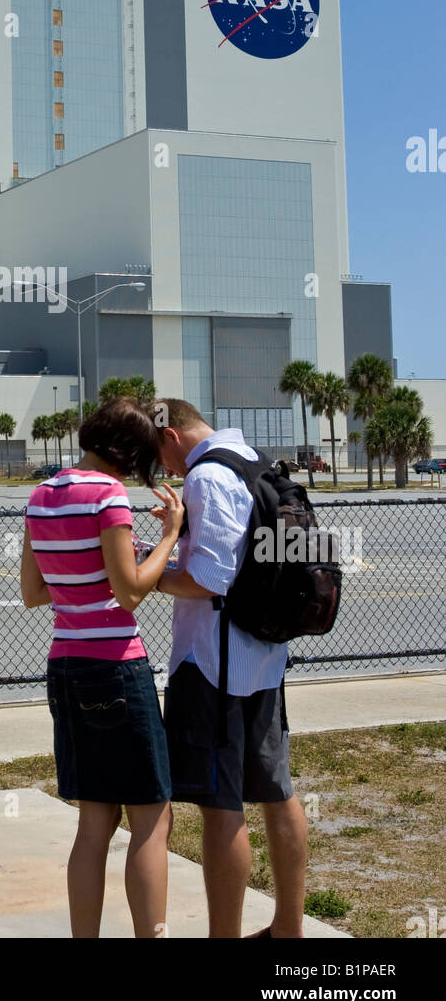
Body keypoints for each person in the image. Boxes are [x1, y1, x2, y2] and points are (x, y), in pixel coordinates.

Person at [19, 396, 184, 938]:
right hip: (116, 667)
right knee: (152, 817)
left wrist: (89, 567)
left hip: (66, 665)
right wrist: (167, 537)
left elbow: (33, 592)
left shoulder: (42, 495)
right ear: (130, 451)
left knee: (94, 824)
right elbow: (131, 593)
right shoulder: (109, 494)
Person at [153, 399, 307, 939]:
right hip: (266, 657)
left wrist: (150, 573)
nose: (166, 472)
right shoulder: (255, 460)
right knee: (277, 793)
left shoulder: (208, 475)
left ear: (171, 435)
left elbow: (209, 579)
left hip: (212, 664)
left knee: (221, 808)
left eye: (160, 457)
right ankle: (289, 928)